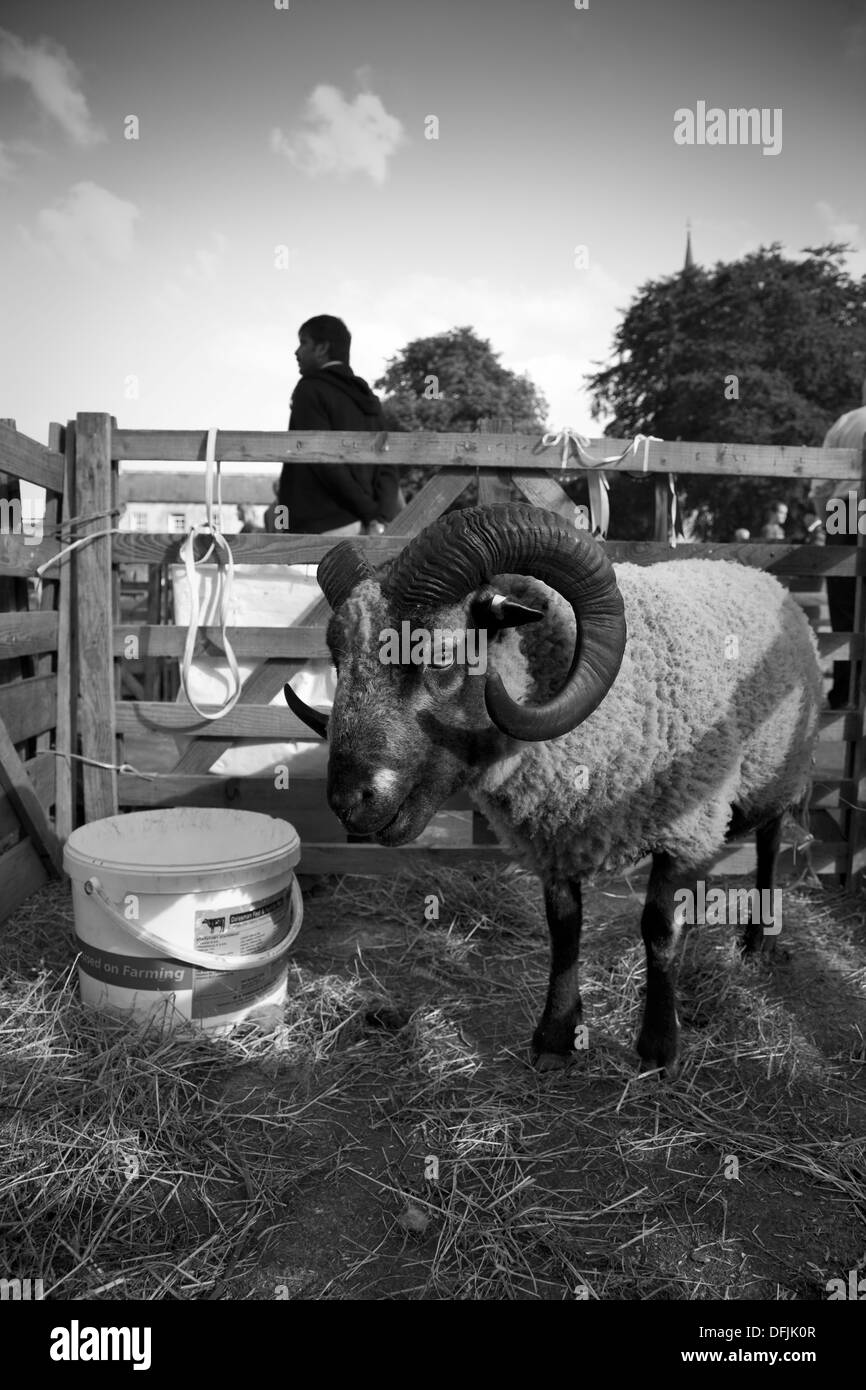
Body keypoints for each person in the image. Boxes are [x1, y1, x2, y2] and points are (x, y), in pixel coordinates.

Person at [278, 315, 401, 535]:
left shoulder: (310, 389)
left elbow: (324, 461)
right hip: (366, 526)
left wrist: (371, 513)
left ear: (322, 348)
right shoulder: (368, 397)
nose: (296, 352)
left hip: (322, 524)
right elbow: (387, 464)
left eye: (303, 342)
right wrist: (380, 516)